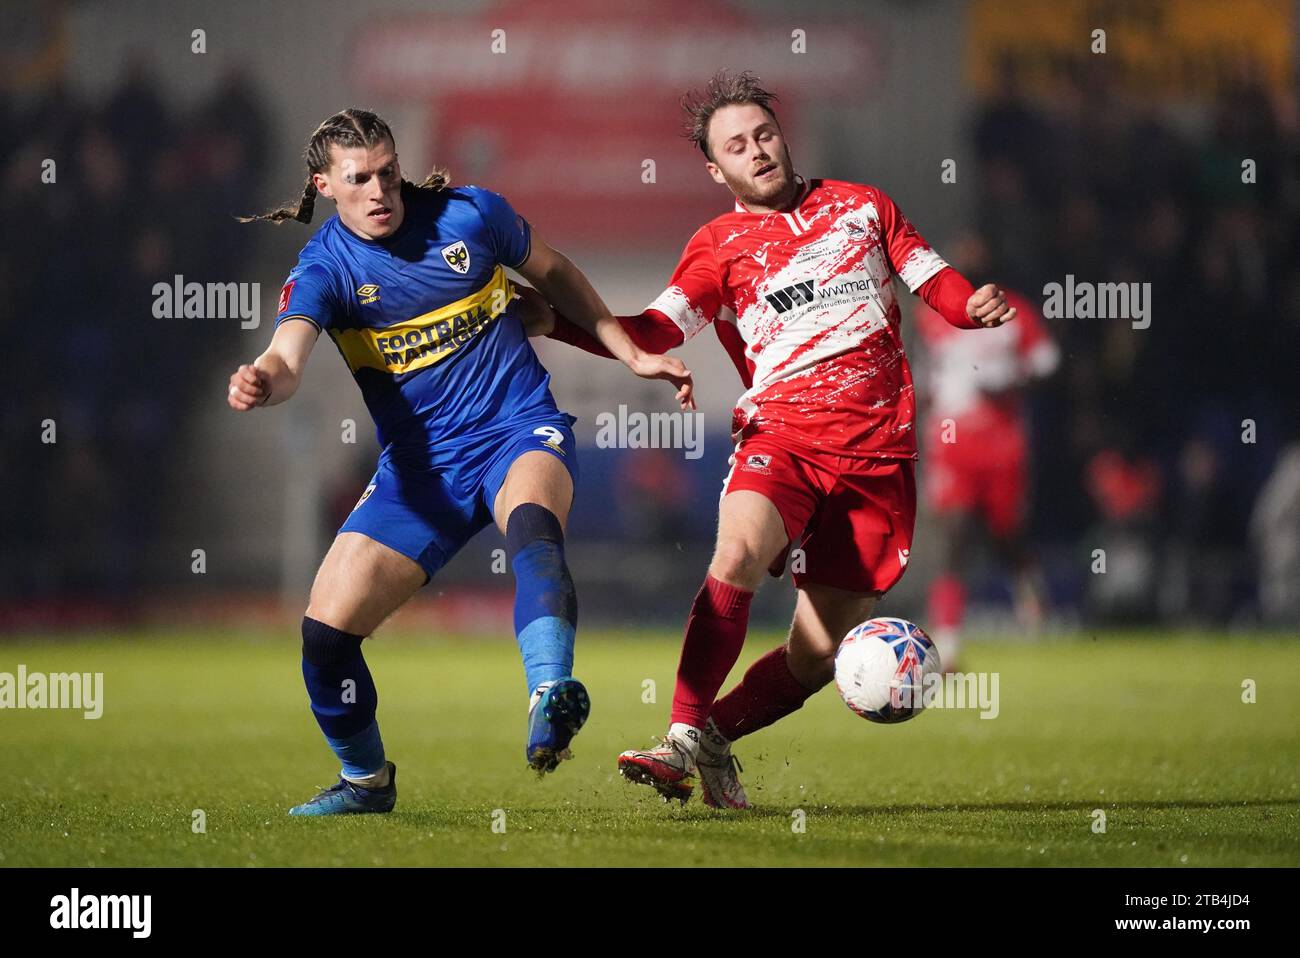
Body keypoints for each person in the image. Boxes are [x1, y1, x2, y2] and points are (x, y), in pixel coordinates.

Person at [546, 72, 1015, 809]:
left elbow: (934, 279)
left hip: (877, 459)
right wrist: (554, 323)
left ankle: (716, 736)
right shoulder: (718, 246)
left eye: (764, 134)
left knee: (820, 652)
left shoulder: (863, 207)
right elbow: (654, 331)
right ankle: (679, 734)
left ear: (783, 135)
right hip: (783, 438)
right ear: (716, 169)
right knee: (733, 554)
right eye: (736, 146)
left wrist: (972, 304)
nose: (756, 151)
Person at [228, 108, 692, 816]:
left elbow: (558, 274)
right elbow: (288, 354)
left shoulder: (473, 216)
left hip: (519, 429)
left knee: (535, 531)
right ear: (325, 184)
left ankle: (548, 695)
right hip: (419, 473)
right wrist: (264, 380)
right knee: (324, 636)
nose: (381, 190)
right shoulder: (326, 267)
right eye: (360, 179)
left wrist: (628, 351)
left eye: (388, 172)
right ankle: (365, 783)